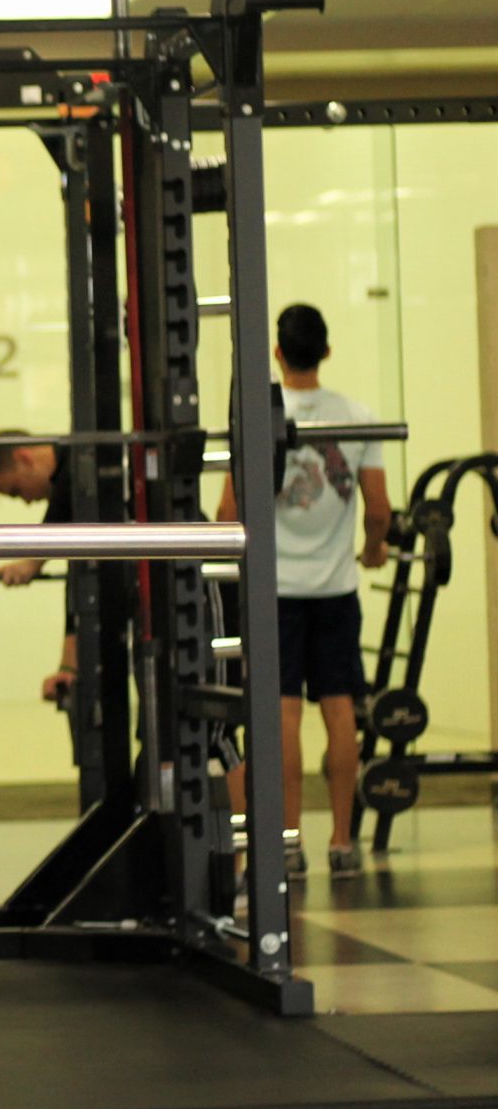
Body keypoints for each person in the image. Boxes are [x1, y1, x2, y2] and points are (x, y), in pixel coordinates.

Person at [220, 303, 391, 879]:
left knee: (283, 714)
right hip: (336, 591)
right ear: (326, 351)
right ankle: (342, 842)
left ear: (277, 352)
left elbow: (227, 510)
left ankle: (289, 840)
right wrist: (373, 550)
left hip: (276, 593)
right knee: (341, 711)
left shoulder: (256, 415)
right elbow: (381, 511)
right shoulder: (357, 415)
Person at [0, 436, 79, 703]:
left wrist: (33, 562)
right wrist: (68, 666)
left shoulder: (80, 461)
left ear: (24, 457)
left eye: (16, 491)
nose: (26, 501)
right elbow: (81, 574)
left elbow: (69, 481)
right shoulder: (72, 496)